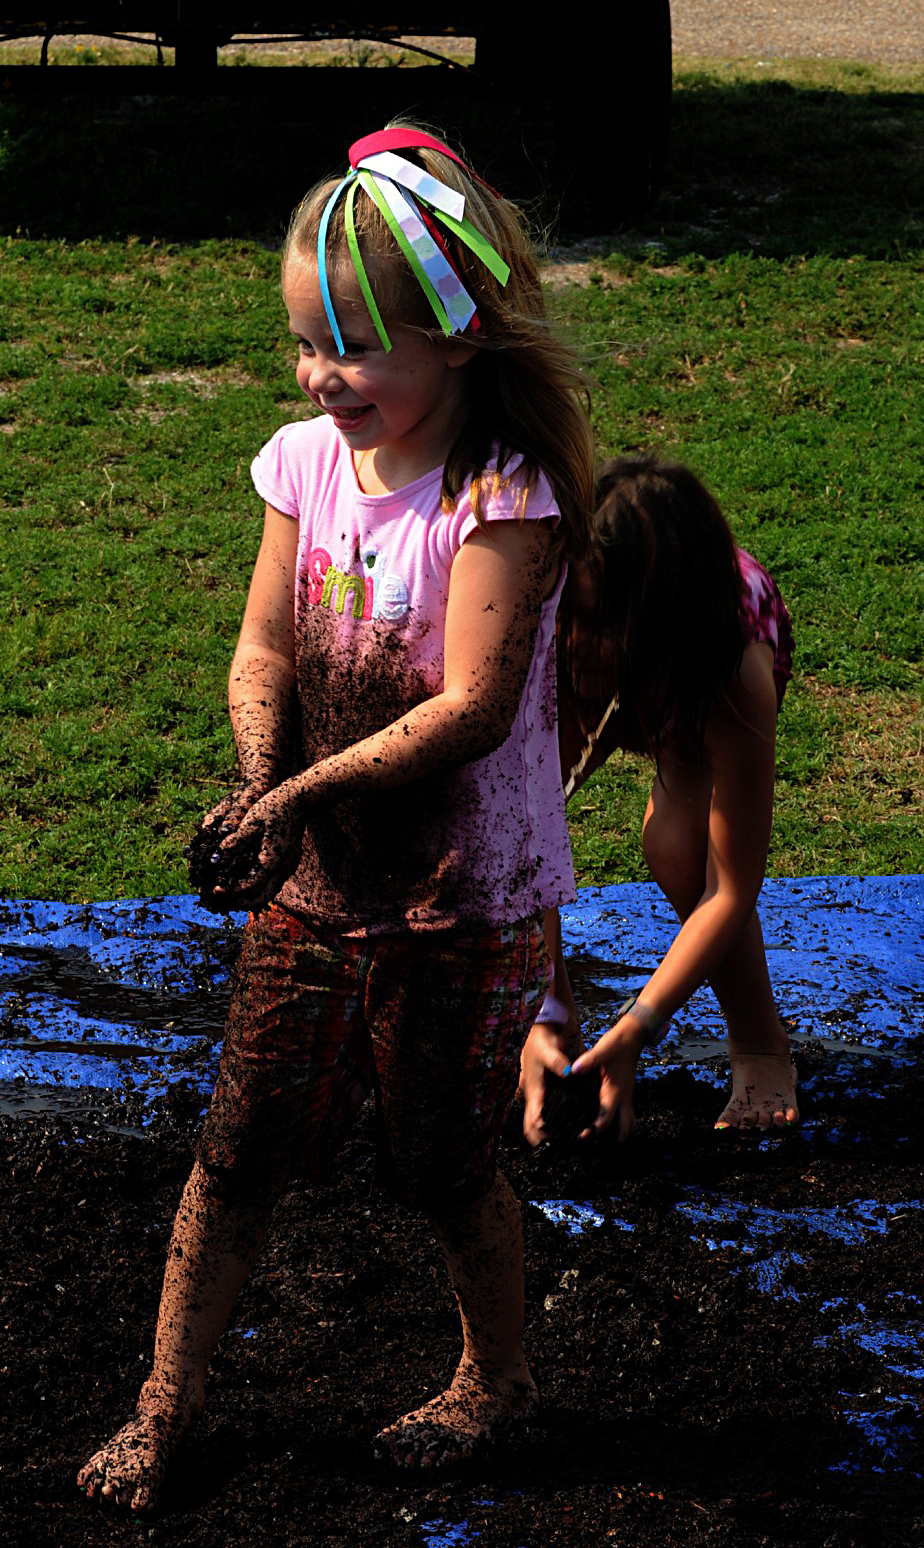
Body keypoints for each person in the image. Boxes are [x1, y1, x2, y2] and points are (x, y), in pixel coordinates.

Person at [78, 124, 595, 1512]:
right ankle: (164, 1405)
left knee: (440, 1163)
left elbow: (474, 708)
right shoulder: (303, 461)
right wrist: (262, 779)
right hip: (315, 885)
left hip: (463, 894)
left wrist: (296, 792)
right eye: (305, 342)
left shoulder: (505, 495)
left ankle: (497, 1382)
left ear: (463, 335)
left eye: (355, 347)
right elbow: (262, 646)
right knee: (236, 1148)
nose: (321, 376)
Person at [520, 454, 798, 1144]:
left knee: (680, 847)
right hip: (638, 666)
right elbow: (523, 838)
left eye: (606, 625)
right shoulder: (555, 627)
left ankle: (760, 1041)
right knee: (515, 821)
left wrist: (638, 1027)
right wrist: (547, 1014)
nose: (583, 643)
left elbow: (730, 888)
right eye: (576, 616)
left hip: (684, 690)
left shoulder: (731, 670)